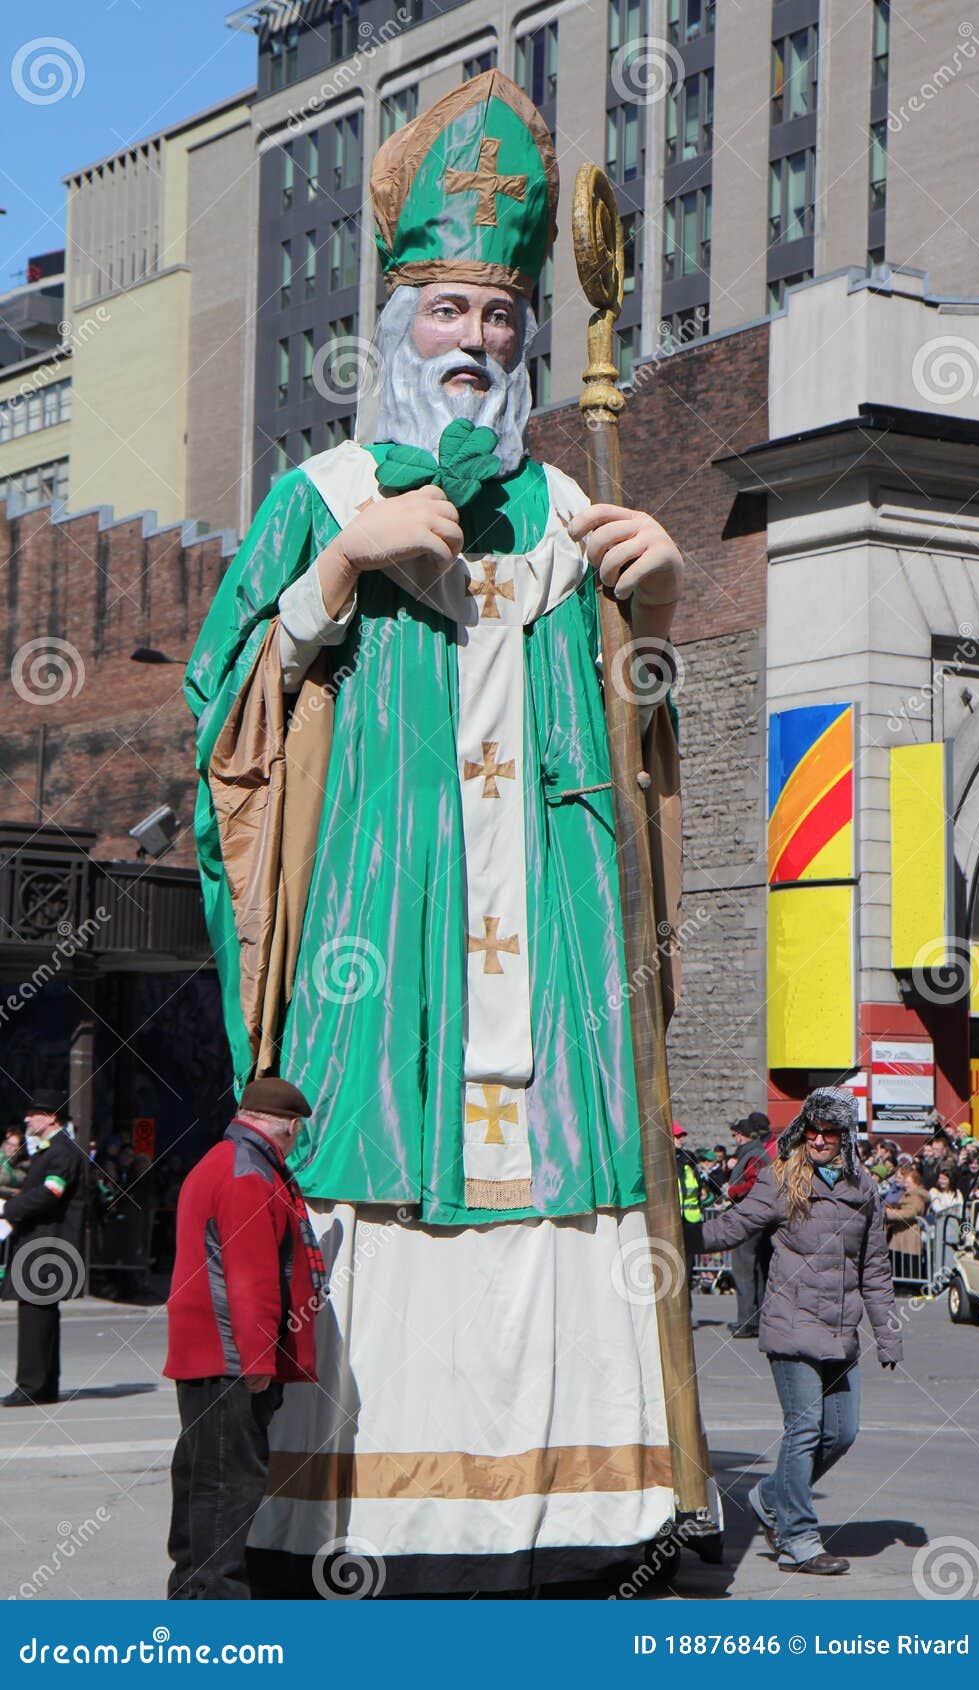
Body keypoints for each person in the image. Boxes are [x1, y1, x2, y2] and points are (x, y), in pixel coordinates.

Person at [184, 69, 691, 1597]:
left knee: (561, 1188)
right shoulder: (317, 493)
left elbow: (636, 746)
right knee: (379, 1186)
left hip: (552, 948)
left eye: (496, 313)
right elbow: (226, 731)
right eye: (444, 309)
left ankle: (577, 1520)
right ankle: (354, 1533)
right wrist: (333, 573)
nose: (474, 340)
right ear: (393, 320)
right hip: (374, 944)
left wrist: (652, 616)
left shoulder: (563, 505)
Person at [685, 1086, 901, 1575]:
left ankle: (769, 1497)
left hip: (840, 1331)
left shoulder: (863, 1189)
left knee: (842, 1433)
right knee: (804, 1430)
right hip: (790, 1325)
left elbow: (875, 1268)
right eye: (813, 1131)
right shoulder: (782, 1181)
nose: (820, 1140)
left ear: (845, 1138)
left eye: (830, 1132)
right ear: (801, 1133)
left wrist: (887, 1333)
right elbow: (731, 1228)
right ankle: (797, 1537)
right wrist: (671, 1231)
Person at [164, 1076, 323, 1601]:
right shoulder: (249, 1174)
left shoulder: (223, 1159)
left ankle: (193, 1586)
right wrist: (258, 1359)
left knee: (201, 1473)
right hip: (231, 1356)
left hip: (209, 1351)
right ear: (291, 1127)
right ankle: (214, 1601)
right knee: (227, 1482)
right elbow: (251, 1276)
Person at [0, 1089, 86, 1406]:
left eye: (33, 1113)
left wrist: (9, 1207)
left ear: (51, 1117)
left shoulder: (61, 1152)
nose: (26, 1118)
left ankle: (31, 1386)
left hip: (47, 1246)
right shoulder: (53, 1150)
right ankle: (44, 1385)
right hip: (43, 1244)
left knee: (36, 1315)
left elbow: (51, 1193)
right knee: (41, 1315)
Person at [725, 1113, 771, 1338]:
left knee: (744, 1270)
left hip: (748, 1219)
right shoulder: (754, 1153)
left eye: (735, 1135)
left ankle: (747, 1322)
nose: (734, 1139)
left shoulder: (753, 1155)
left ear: (742, 1136)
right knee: (757, 1270)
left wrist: (731, 1191)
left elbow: (754, 1183)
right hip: (757, 1218)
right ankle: (757, 1320)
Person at [884, 1166, 929, 1272]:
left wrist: (889, 1213)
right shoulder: (906, 1195)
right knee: (897, 1268)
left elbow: (910, 1213)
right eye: (906, 1182)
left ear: (916, 1183)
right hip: (899, 1238)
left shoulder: (917, 1197)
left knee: (908, 1270)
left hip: (908, 1239)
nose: (906, 1185)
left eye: (908, 1182)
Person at [0, 1125, 29, 1198]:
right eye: (8, 1143)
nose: (9, 1147)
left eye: (13, 1145)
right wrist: (13, 1191)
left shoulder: (22, 1171)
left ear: (20, 1150)